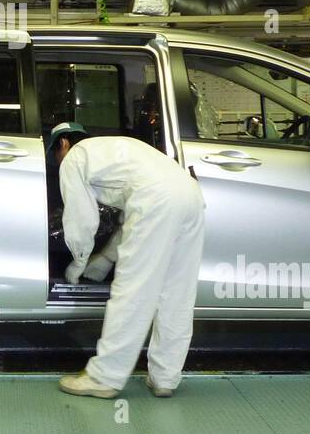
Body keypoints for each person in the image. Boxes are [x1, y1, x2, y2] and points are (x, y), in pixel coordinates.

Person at [50, 121, 206, 399]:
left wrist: (79, 261)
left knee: (133, 289)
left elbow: (81, 218)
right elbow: (134, 215)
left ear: (63, 144)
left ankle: (104, 377)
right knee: (177, 293)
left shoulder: (74, 157)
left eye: (55, 154)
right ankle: (165, 378)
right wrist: (106, 258)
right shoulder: (116, 148)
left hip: (157, 199)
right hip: (191, 196)